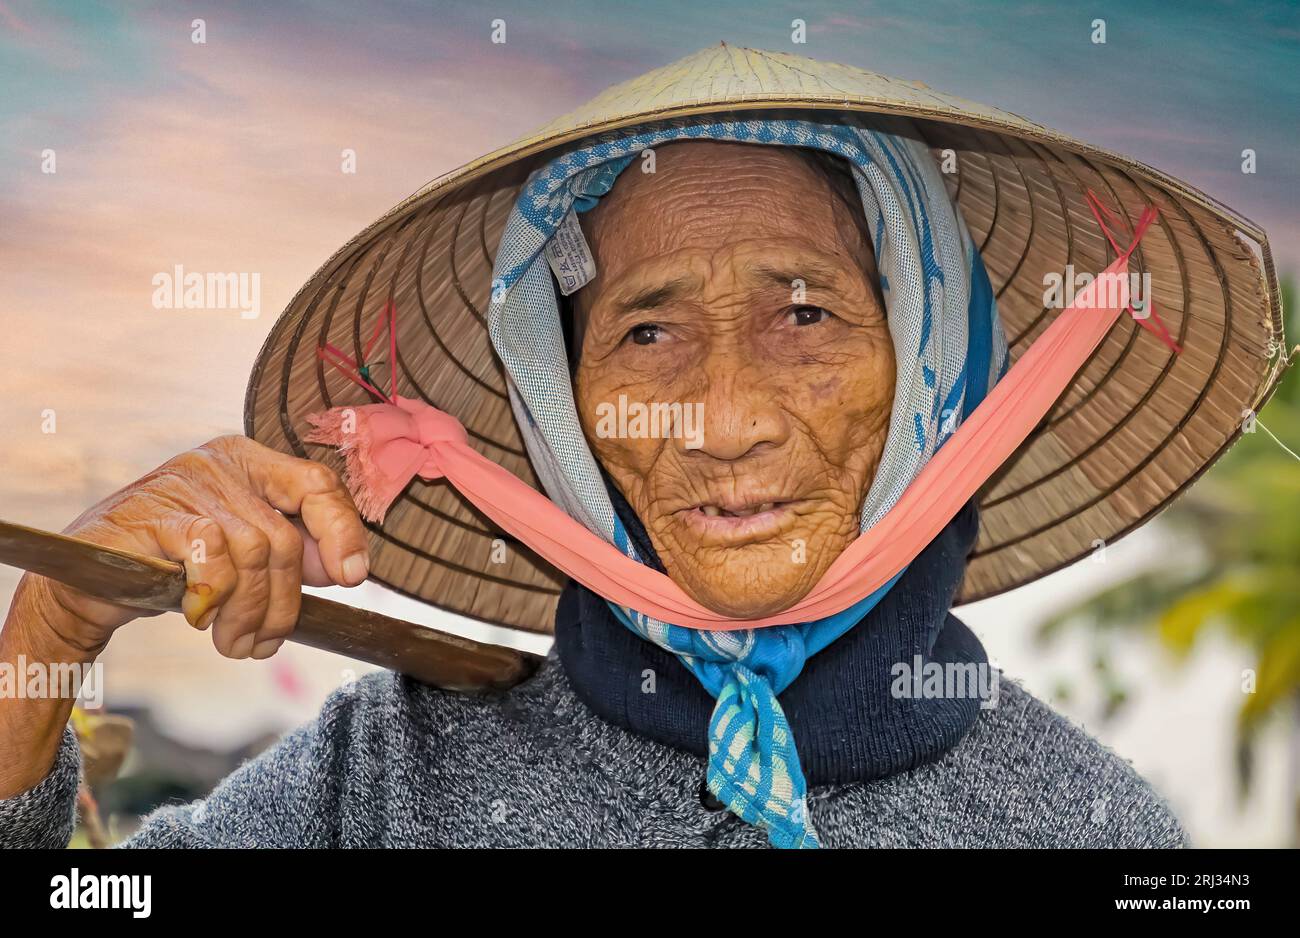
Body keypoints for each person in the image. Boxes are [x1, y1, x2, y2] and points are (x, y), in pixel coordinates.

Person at [2, 45, 1282, 848]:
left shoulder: (1084, 826)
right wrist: (49, 631)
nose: (722, 421)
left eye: (806, 313)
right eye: (648, 329)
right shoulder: (381, 773)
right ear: (562, 409)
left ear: (932, 378)